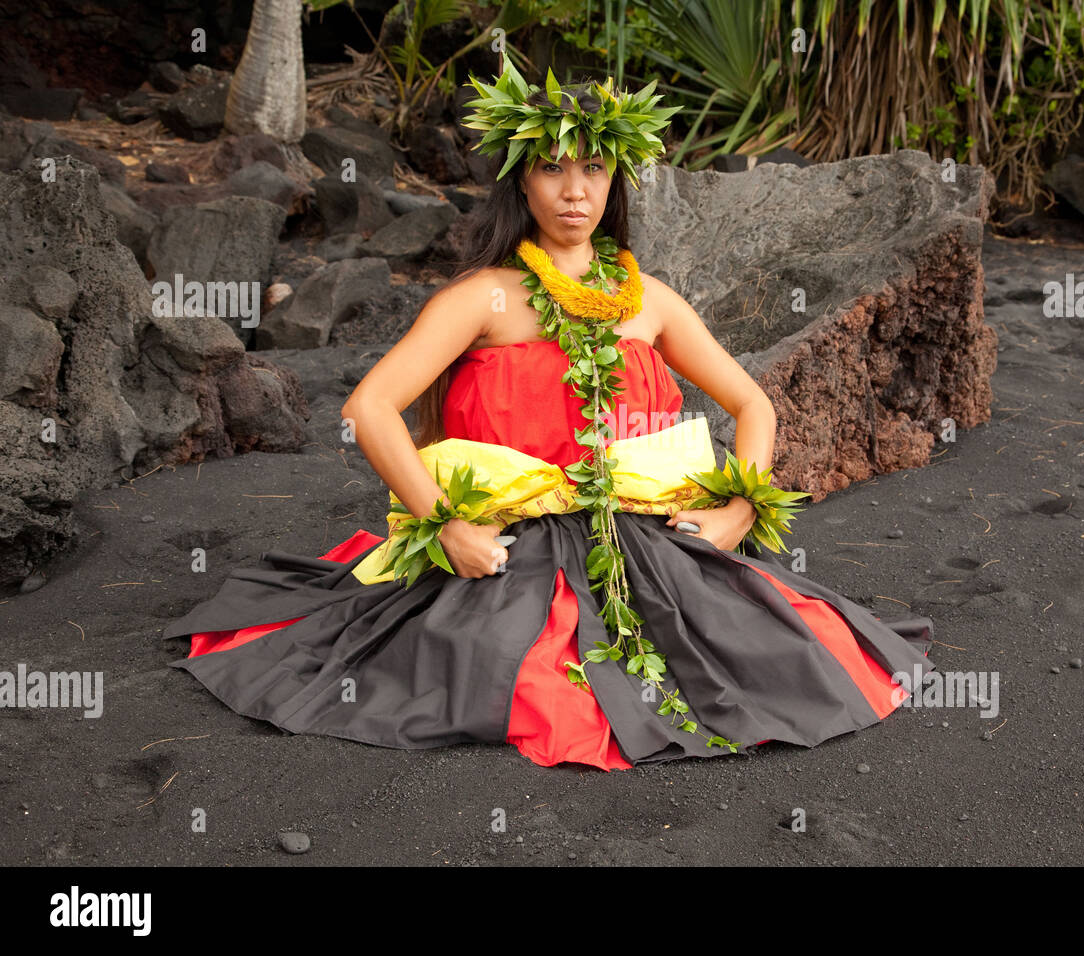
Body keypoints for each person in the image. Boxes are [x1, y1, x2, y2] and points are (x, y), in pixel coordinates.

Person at [161, 58, 936, 771]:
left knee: (773, 653)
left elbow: (752, 402)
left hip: (643, 531)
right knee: (490, 661)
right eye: (552, 169)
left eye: (594, 169)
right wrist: (446, 525)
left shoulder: (650, 302)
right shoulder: (483, 299)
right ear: (520, 185)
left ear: (616, 182)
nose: (575, 190)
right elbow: (370, 407)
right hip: (513, 535)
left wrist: (739, 509)